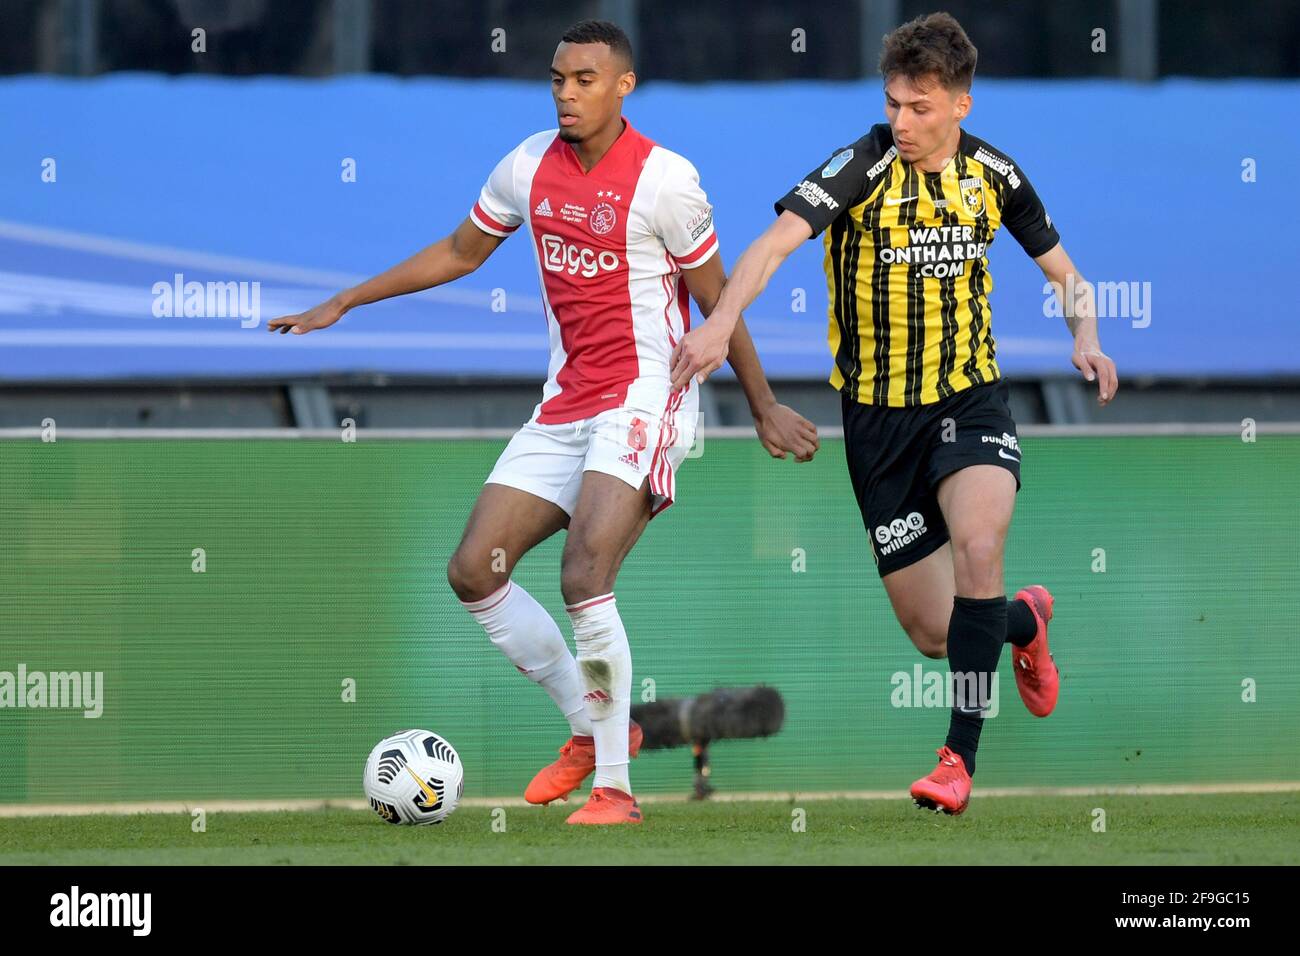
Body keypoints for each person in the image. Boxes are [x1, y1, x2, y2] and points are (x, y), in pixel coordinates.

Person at [269, 19, 819, 825]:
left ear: (622, 85)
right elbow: (460, 252)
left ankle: (617, 790)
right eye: (558, 78)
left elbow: (718, 298)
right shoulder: (527, 166)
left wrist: (763, 404)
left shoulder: (665, 181)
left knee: (583, 574)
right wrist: (348, 299)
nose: (567, 91)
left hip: (646, 395)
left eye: (585, 79)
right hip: (566, 401)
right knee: (473, 571)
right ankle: (590, 729)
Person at [669, 11, 1118, 815]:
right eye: (894, 105)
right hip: (877, 423)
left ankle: (956, 761)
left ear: (960, 106)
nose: (902, 122)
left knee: (981, 544)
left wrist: (1085, 331)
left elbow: (1064, 270)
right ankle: (1025, 623)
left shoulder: (995, 176)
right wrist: (717, 322)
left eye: (919, 107)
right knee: (938, 632)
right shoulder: (862, 165)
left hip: (969, 400)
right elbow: (773, 245)